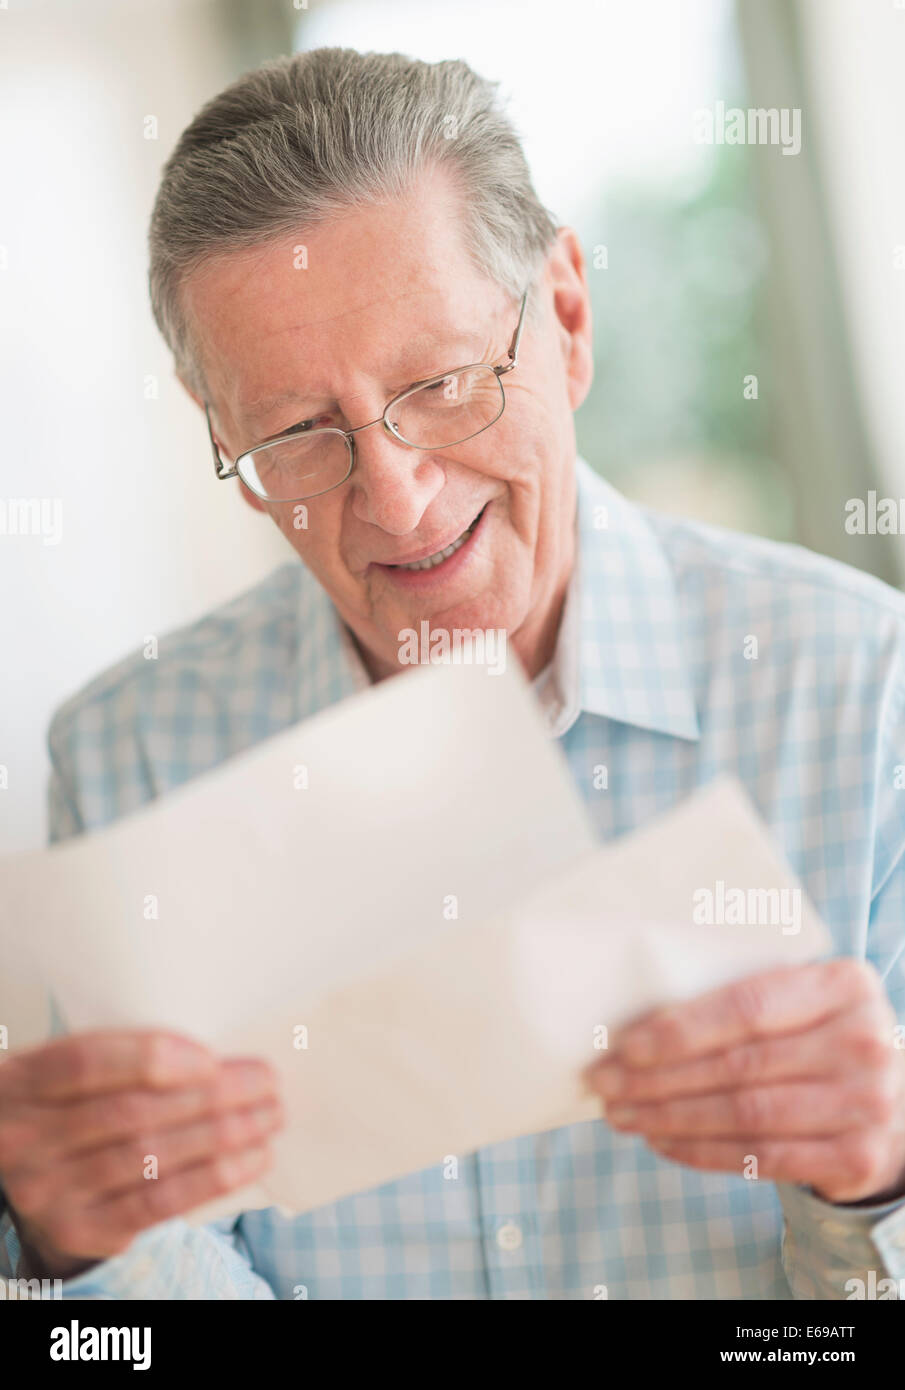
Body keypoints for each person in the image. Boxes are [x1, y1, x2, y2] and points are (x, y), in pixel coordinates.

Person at [2, 47, 904, 1301]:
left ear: (569, 321)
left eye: (441, 383)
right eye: (295, 434)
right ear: (224, 437)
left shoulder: (863, 697)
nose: (397, 493)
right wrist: (65, 1257)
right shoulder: (125, 757)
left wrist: (882, 1181)